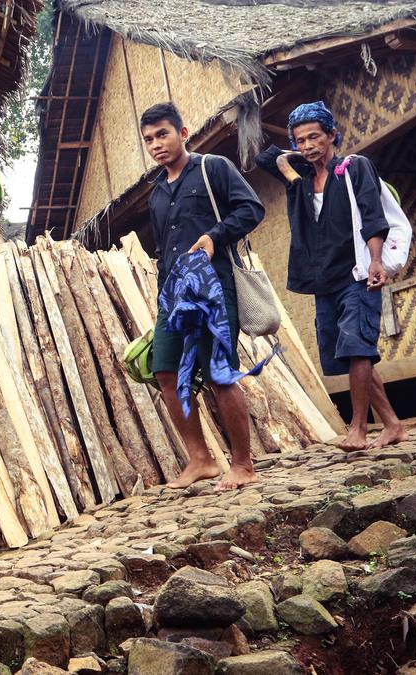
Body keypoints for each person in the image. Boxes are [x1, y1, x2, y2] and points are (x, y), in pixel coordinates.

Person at [256, 101, 407, 451]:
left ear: (332, 136)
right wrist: (292, 154)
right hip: (324, 279)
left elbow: (372, 215)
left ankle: (358, 428)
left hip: (357, 271)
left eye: (315, 137)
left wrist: (375, 261)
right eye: (300, 140)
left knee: (357, 346)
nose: (308, 146)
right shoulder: (304, 180)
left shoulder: (354, 168)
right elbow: (266, 159)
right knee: (351, 351)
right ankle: (393, 424)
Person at [139, 102, 265, 491]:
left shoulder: (213, 168)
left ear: (183, 132)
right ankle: (201, 460)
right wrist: (162, 297)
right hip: (174, 296)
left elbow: (252, 209)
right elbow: (163, 250)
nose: (157, 144)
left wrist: (214, 236)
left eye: (163, 134)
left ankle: (242, 464)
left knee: (218, 373)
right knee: (163, 370)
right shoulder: (157, 193)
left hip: (214, 288)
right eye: (149, 139)